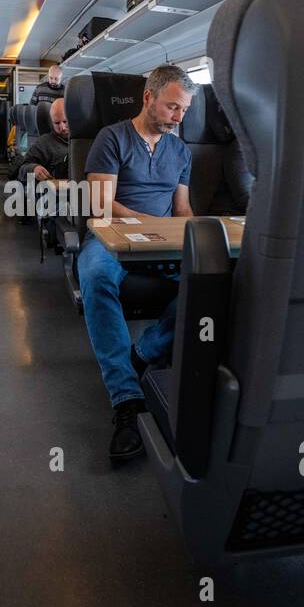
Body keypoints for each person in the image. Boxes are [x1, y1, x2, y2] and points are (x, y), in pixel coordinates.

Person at [78, 65, 196, 461]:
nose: (179, 117)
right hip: (109, 238)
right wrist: (147, 224)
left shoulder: (180, 150)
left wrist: (199, 239)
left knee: (214, 278)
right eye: (172, 107)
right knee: (95, 276)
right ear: (148, 98)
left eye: (184, 110)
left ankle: (141, 353)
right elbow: (101, 203)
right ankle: (127, 400)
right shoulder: (111, 138)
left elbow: (182, 208)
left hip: (162, 242)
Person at [18, 96, 69, 182]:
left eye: (65, 121)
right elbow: (22, 169)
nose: (62, 128)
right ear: (51, 122)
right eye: (57, 123)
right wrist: (34, 168)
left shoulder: (87, 142)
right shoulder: (44, 143)